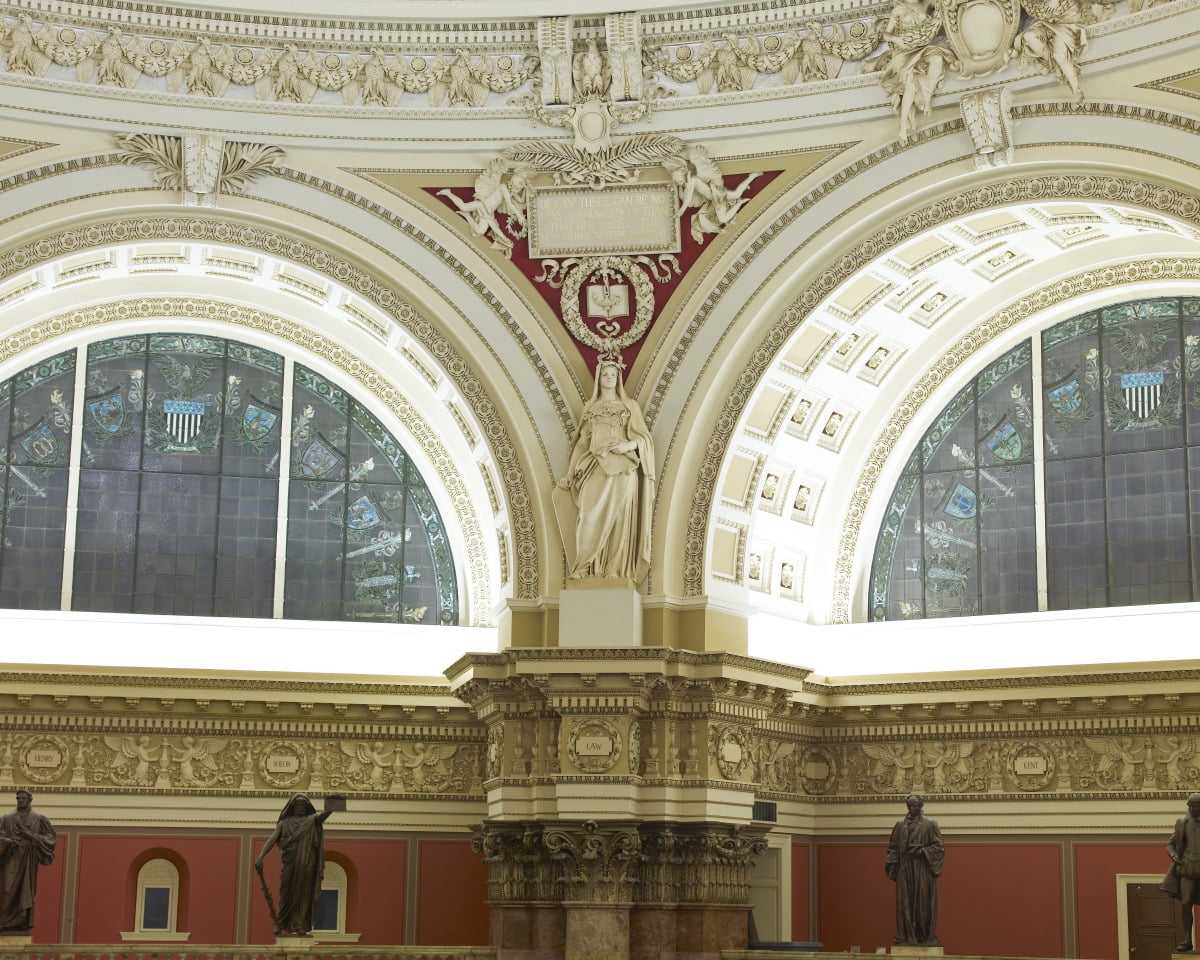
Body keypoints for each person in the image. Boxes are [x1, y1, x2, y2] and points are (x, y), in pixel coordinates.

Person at [557, 358, 655, 583]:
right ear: (599, 379)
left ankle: (613, 568)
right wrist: (570, 474)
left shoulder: (629, 406)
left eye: (613, 374)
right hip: (594, 466)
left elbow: (644, 439)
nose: (609, 378)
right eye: (605, 374)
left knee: (619, 518)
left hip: (622, 467)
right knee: (588, 515)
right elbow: (582, 443)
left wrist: (627, 446)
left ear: (618, 378)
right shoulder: (590, 409)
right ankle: (584, 566)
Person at [255, 793, 335, 936]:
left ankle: (300, 925)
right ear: (292, 807)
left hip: (306, 863)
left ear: (306, 807)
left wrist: (332, 805)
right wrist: (261, 856)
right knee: (286, 893)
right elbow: (272, 839)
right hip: (290, 863)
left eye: (303, 805)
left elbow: (323, 816)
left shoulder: (311, 820)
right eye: (297, 805)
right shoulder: (284, 823)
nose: (300, 807)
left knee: (304, 893)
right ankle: (282, 923)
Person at [885, 794, 944, 946]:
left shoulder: (930, 825)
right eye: (910, 806)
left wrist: (922, 851)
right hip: (904, 871)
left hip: (921, 870)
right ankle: (905, 935)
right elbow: (892, 848)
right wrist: (892, 865)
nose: (913, 809)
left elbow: (939, 847)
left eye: (915, 806)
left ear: (921, 806)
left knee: (922, 903)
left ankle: (924, 936)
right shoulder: (899, 826)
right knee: (904, 903)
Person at [0, 789, 57, 934]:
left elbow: (50, 839)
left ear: (29, 800)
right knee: (6, 889)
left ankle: (19, 921)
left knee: (25, 891)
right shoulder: (7, 819)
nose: (20, 800)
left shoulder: (39, 819)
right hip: (10, 857)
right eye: (18, 798)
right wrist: (8, 841)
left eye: (23, 798)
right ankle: (4, 921)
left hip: (27, 860)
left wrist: (30, 835)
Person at [1162, 792, 1200, 951]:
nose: (1192, 808)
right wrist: (1174, 855)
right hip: (1187, 868)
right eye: (1189, 805)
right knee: (1185, 904)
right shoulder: (1182, 824)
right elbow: (1169, 844)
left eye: (1195, 805)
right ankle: (1187, 939)